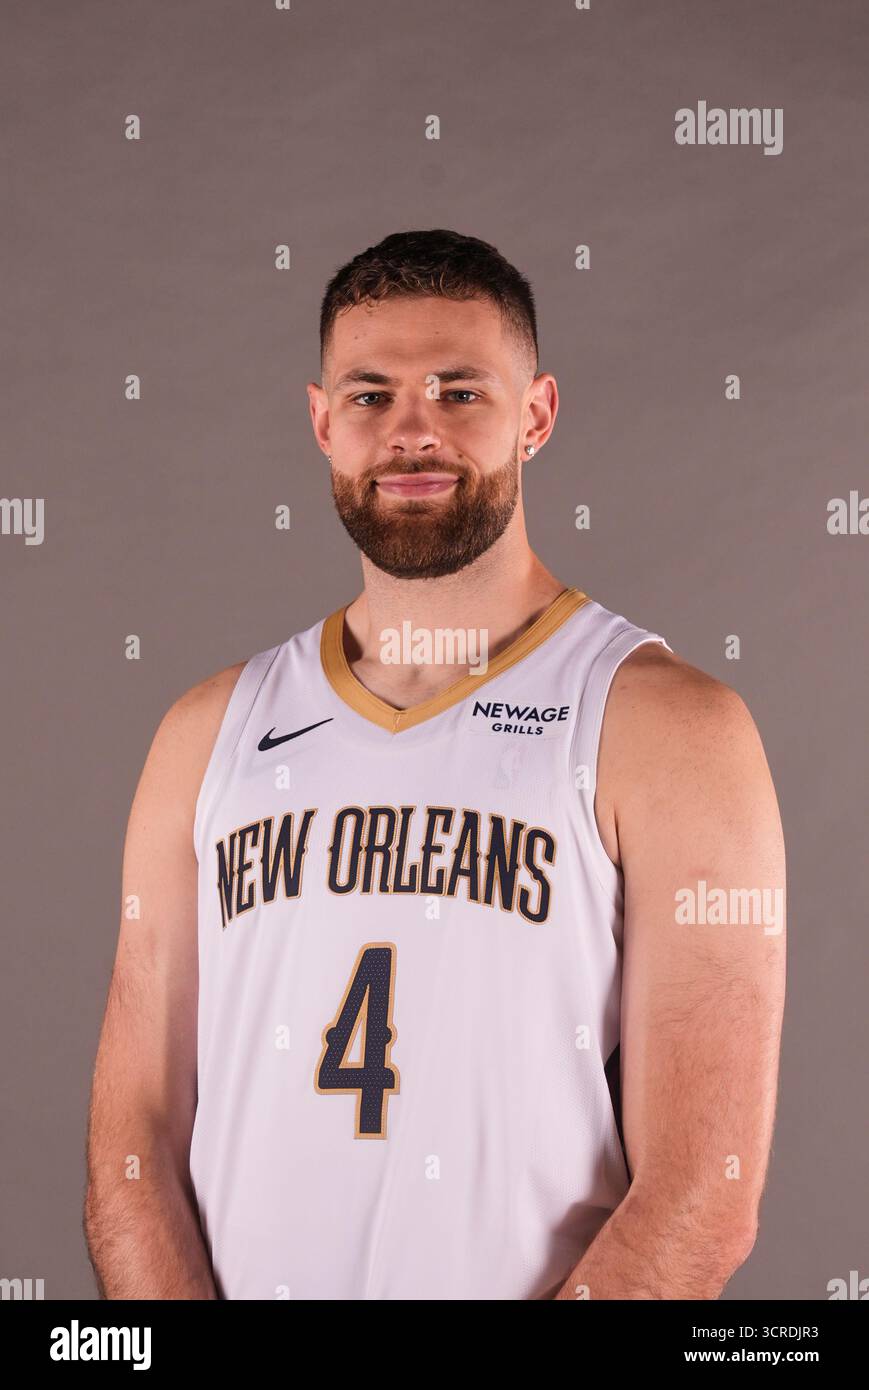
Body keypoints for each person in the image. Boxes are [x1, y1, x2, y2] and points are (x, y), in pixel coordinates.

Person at [84, 229, 786, 1300]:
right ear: (321, 422)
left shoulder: (667, 729)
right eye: (370, 396)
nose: (412, 431)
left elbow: (702, 1196)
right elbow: (130, 1146)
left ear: (536, 415)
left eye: (459, 392)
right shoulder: (207, 732)